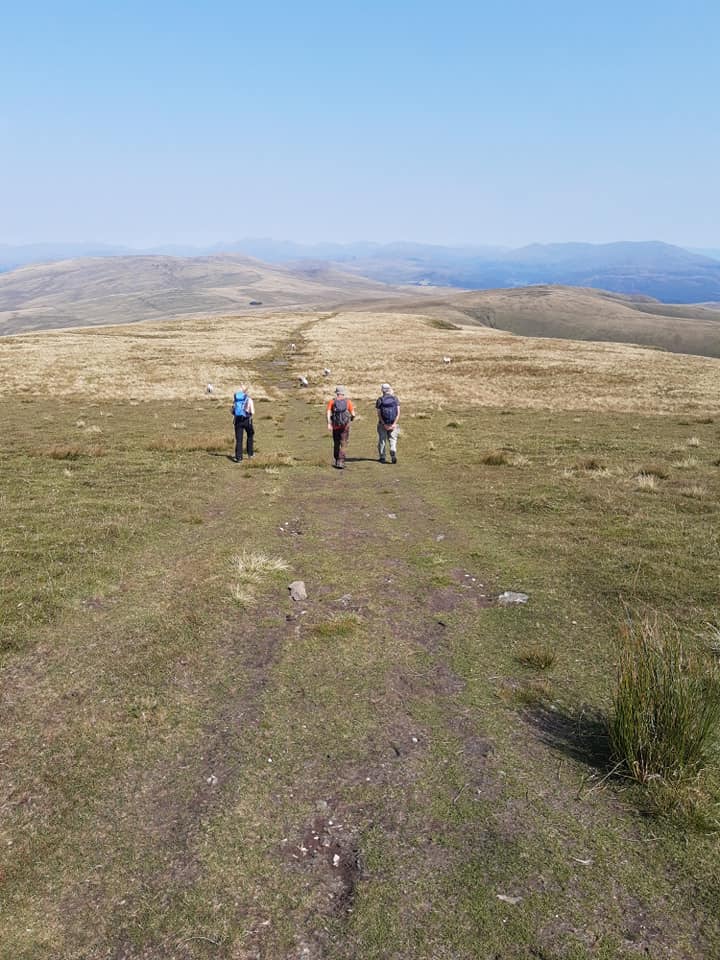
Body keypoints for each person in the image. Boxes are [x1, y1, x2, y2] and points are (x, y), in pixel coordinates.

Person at [326, 385, 355, 469]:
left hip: (335, 426)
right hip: (345, 426)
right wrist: (351, 418)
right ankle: (341, 461)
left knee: (336, 443)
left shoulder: (332, 402)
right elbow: (353, 414)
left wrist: (329, 423)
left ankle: (336, 459)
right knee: (344, 443)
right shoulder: (348, 402)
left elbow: (328, 413)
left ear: (336, 393)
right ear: (343, 393)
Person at [376, 382, 400, 464]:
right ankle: (393, 450)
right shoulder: (395, 399)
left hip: (382, 424)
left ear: (382, 390)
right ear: (389, 389)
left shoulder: (380, 400)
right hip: (393, 423)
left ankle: (382, 457)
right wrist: (394, 424)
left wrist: (383, 424)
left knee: (382, 440)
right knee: (393, 439)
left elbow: (379, 414)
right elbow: (398, 413)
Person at [231, 386, 255, 462]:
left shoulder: (236, 399)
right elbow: (252, 411)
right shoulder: (249, 399)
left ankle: (238, 458)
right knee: (250, 435)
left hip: (237, 421)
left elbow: (232, 410)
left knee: (239, 439)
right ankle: (250, 453)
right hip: (247, 420)